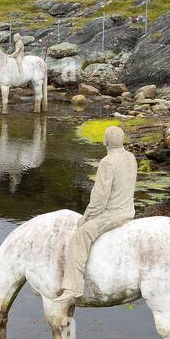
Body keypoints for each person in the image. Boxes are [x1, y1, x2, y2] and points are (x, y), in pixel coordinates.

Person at [54, 126, 137, 305]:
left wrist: (87, 217)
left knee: (79, 236)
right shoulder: (131, 157)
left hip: (112, 214)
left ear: (106, 141)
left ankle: (73, 286)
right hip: (128, 210)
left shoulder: (108, 162)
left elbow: (100, 197)